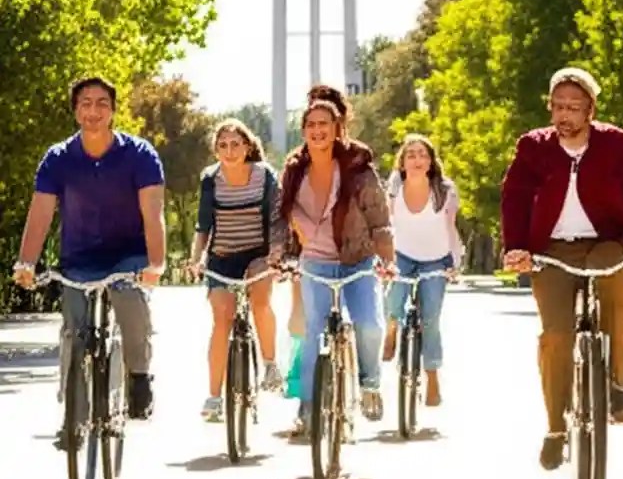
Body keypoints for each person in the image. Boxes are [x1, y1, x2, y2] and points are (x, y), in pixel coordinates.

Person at [500, 67, 623, 470]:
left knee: (614, 291)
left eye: (573, 107)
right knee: (556, 335)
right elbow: (514, 198)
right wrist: (515, 248)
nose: (564, 115)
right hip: (552, 249)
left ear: (590, 111)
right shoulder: (533, 148)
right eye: (557, 106)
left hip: (606, 242)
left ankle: (615, 387)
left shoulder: (619, 145)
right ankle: (555, 429)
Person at [11, 76, 167, 446]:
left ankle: (139, 377)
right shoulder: (58, 158)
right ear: (75, 110)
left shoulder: (140, 154)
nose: (93, 111)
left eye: (101, 103)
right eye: (85, 103)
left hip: (128, 254)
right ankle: (73, 418)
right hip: (79, 258)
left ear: (113, 111)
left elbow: (153, 212)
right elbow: (40, 214)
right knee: (74, 330)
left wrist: (156, 264)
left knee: (130, 300)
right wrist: (26, 263)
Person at [268, 84, 395, 437]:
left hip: (357, 260)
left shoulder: (358, 168)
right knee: (312, 334)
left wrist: (386, 259)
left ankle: (370, 384)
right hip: (316, 263)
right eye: (311, 124)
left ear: (338, 128)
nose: (317, 130)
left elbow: (379, 218)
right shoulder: (294, 169)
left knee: (369, 323)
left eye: (325, 123)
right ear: (304, 129)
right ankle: (308, 407)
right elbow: (280, 216)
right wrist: (278, 253)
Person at [187, 118, 284, 421]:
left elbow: (277, 220)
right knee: (221, 319)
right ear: (216, 150)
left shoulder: (264, 176)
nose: (229, 151)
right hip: (222, 257)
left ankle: (269, 364)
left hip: (258, 253)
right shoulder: (210, 179)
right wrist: (197, 258)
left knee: (260, 300)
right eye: (223, 146)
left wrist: (278, 253)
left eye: (235, 144)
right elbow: (203, 227)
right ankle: (214, 397)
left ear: (248, 146)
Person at [381, 134, 463, 407]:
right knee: (394, 300)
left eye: (423, 155)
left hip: (435, 259)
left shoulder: (444, 189)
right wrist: (384, 259)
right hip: (402, 255)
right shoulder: (394, 185)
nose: (417, 160)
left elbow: (451, 228)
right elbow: (386, 225)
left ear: (431, 161)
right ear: (402, 162)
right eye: (411, 155)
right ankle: (392, 329)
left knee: (431, 320)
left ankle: (432, 377)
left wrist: (454, 263)